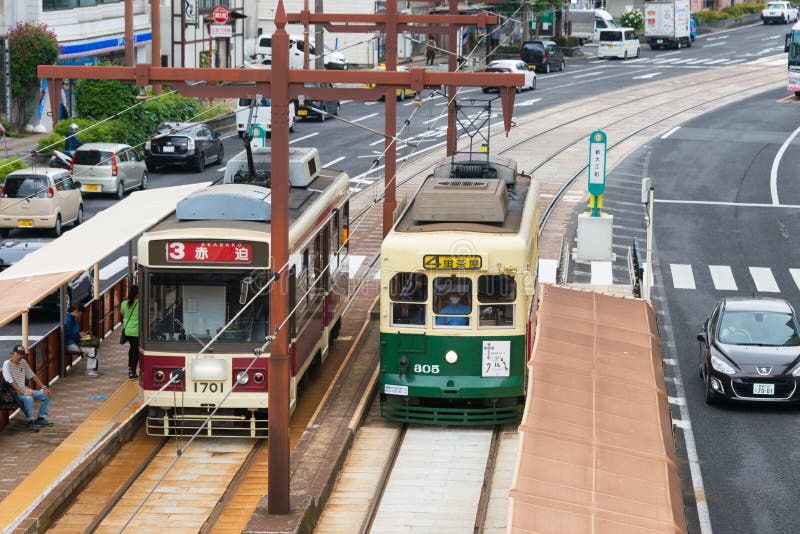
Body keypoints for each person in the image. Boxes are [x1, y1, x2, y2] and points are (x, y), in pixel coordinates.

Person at [2, 345, 53, 433]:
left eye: (22, 354)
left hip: (24, 390)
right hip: (14, 393)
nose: (20, 356)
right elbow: (10, 382)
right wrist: (23, 392)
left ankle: (41, 418)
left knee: (46, 395)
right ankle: (30, 422)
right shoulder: (7, 364)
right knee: (28, 399)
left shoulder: (23, 362)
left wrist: (44, 387)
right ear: (13, 354)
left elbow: (32, 375)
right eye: (18, 354)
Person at [65, 306, 99, 377]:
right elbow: (68, 334)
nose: (80, 315)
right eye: (80, 313)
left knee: (94, 347)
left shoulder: (70, 318)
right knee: (92, 350)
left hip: (72, 342)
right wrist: (79, 335)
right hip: (70, 344)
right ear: (76, 311)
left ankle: (93, 369)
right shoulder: (69, 319)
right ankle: (90, 370)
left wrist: (79, 334)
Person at [120, 285, 140, 380]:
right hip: (136, 331)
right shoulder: (140, 304)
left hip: (128, 330)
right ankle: (132, 371)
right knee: (136, 350)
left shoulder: (124, 303)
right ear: (137, 293)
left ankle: (130, 369)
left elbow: (122, 313)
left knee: (132, 348)